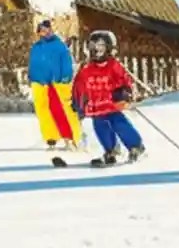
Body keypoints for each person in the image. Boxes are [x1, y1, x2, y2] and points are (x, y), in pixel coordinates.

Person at [72, 30, 145, 166]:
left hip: (112, 105)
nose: (97, 50)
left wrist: (123, 92)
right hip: (96, 107)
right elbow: (79, 86)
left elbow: (125, 81)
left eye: (101, 47)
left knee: (120, 124)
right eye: (94, 47)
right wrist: (78, 102)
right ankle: (111, 150)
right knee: (101, 128)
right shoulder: (86, 69)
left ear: (109, 48)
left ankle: (136, 146)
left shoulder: (114, 66)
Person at [28, 19, 83, 150]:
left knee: (64, 109)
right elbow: (33, 63)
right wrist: (32, 77)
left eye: (47, 30)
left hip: (59, 82)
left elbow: (66, 62)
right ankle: (51, 137)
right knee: (43, 110)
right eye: (42, 30)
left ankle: (73, 138)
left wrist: (65, 77)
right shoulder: (36, 47)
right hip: (40, 82)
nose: (45, 33)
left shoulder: (59, 46)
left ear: (51, 30)